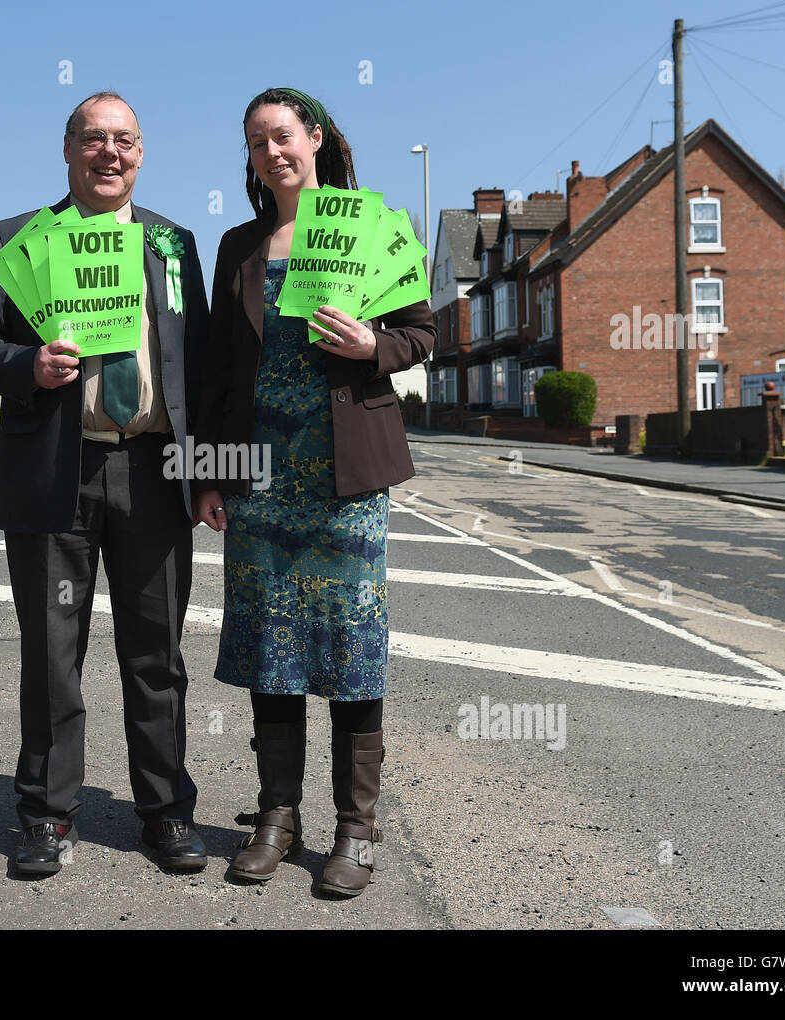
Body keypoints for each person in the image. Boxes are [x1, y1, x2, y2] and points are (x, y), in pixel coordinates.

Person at [0, 91, 211, 876]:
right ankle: (47, 817)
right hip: (56, 474)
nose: (110, 153)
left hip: (154, 470)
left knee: (156, 655)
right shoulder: (16, 240)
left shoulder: (172, 243)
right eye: (94, 139)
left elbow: (196, 362)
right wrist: (25, 367)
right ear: (67, 151)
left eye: (125, 141)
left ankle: (166, 814)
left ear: (141, 154)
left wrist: (206, 474)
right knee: (51, 653)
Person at [194, 87, 436, 897]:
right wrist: (210, 475)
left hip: (347, 479)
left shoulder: (372, 225)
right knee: (274, 651)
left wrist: (374, 344)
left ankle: (356, 832)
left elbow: (420, 333)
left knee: (352, 650)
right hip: (261, 479)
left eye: (283, 137)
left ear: (318, 139)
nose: (272, 153)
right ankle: (274, 818)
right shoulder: (238, 246)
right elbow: (219, 372)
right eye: (257, 143)